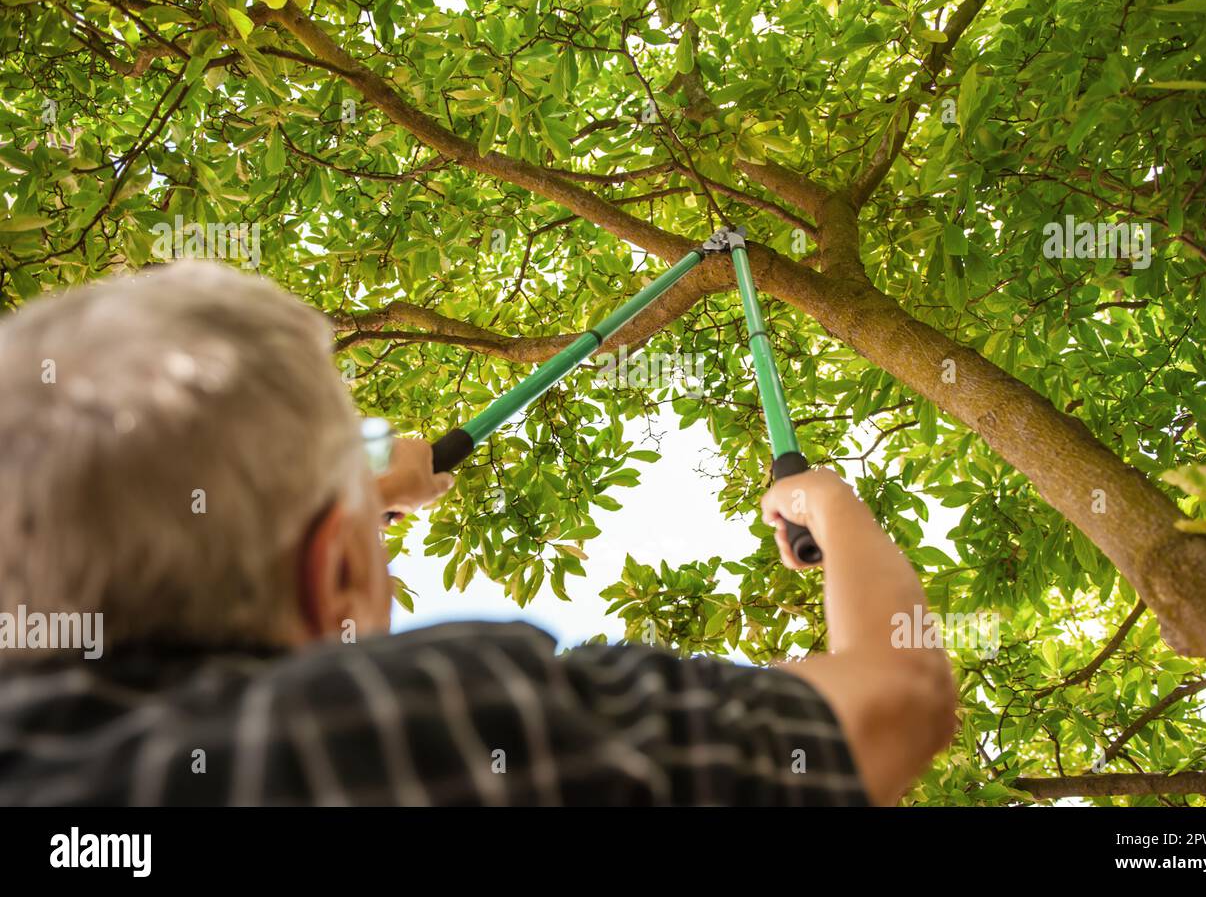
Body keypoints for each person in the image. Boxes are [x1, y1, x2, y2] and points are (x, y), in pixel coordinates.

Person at [0, 262, 955, 806]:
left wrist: (353, 475)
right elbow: (897, 694)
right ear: (333, 570)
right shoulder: (396, 735)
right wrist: (824, 497)